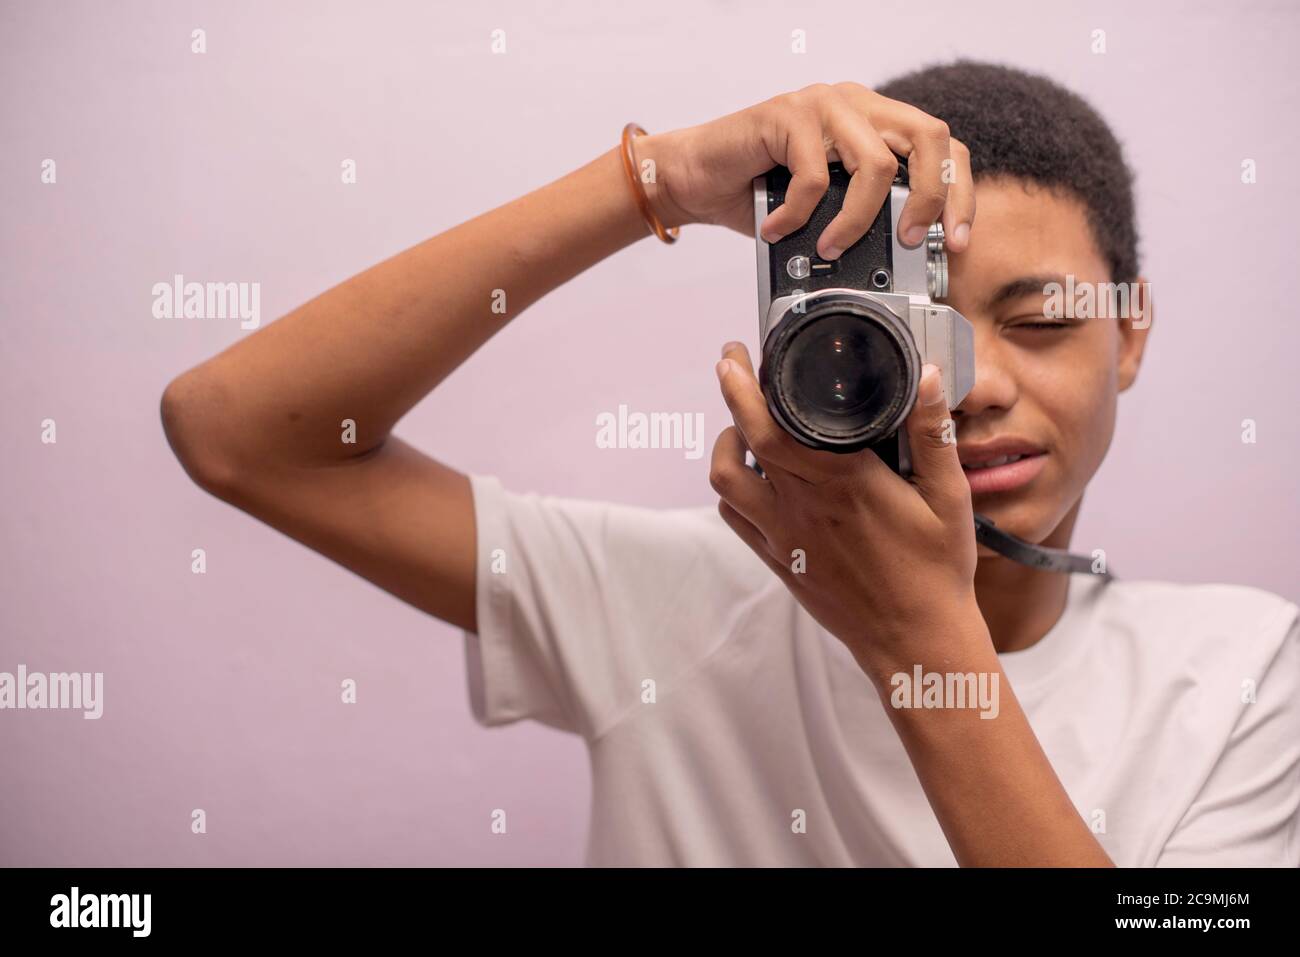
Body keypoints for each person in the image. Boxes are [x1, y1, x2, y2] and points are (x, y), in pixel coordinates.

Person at [160, 60, 1300, 867]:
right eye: (926, 329)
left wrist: (915, 645)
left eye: (1042, 320)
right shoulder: (678, 605)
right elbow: (237, 433)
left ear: (1129, 331)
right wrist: (651, 181)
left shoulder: (1245, 677)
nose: (977, 384)